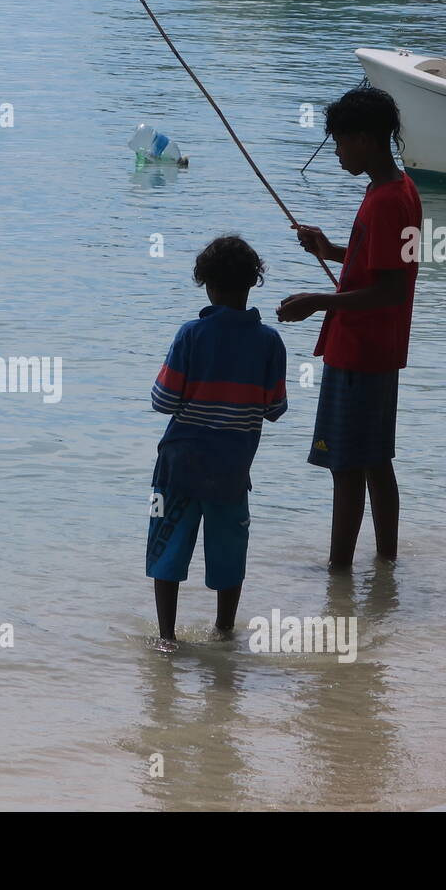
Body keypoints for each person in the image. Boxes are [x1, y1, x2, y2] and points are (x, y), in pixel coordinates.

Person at [276, 87, 422, 571]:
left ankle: (337, 573)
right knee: (376, 461)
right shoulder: (400, 189)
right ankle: (385, 565)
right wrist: (331, 250)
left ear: (365, 139)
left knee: (345, 466)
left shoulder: (386, 201)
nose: (336, 152)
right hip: (380, 349)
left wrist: (318, 301)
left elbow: (391, 290)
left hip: (359, 350)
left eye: (340, 142)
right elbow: (384, 266)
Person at [148, 235, 287, 648]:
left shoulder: (190, 334)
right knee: (230, 552)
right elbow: (275, 408)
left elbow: (163, 400)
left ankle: (167, 638)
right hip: (232, 469)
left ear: (207, 285)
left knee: (166, 546)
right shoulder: (269, 342)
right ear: (252, 282)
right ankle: (224, 632)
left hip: (178, 466)